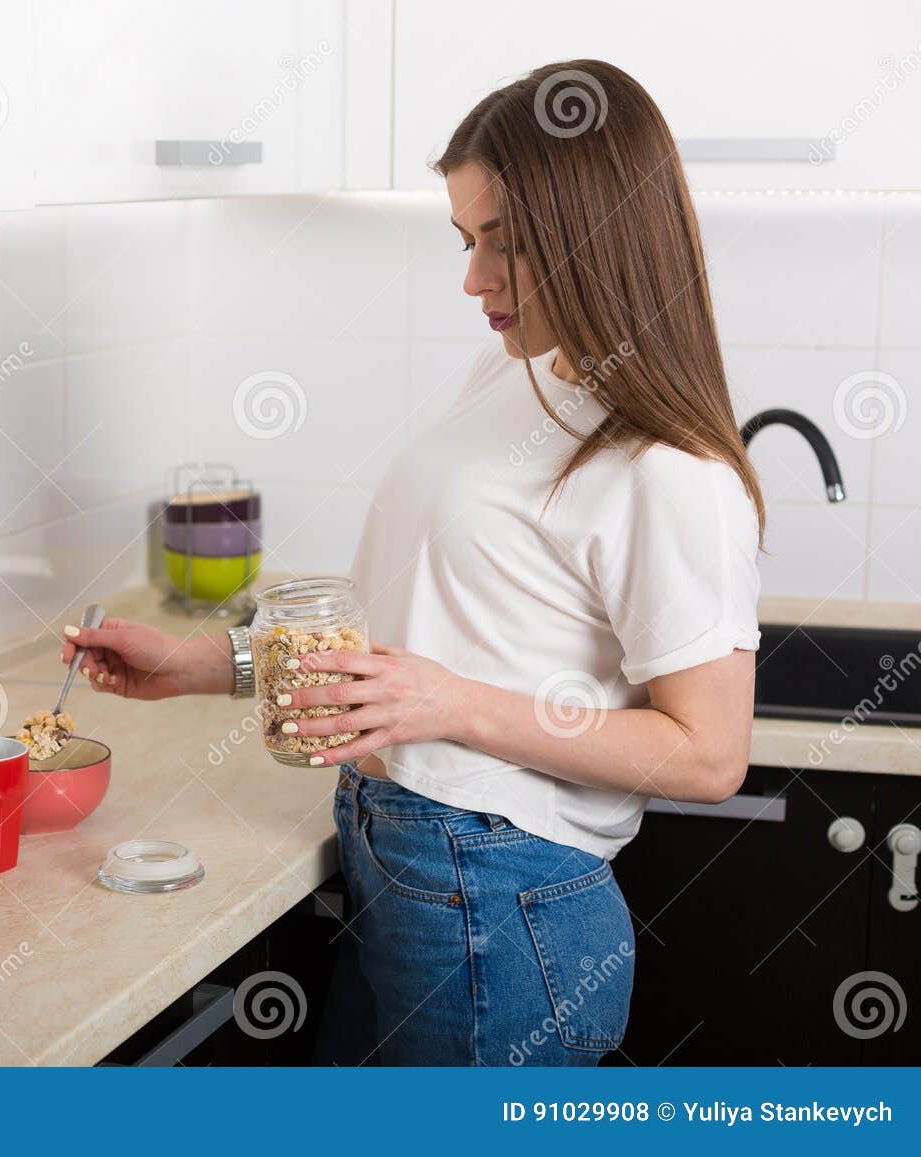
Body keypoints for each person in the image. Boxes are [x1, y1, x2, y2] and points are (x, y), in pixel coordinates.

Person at [58, 59, 763, 1066]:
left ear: (597, 233)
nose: (473, 279)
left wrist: (453, 704)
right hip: (402, 861)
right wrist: (208, 664)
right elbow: (429, 626)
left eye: (505, 242)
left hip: (502, 900)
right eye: (465, 239)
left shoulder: (667, 468)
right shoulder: (511, 376)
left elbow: (708, 753)